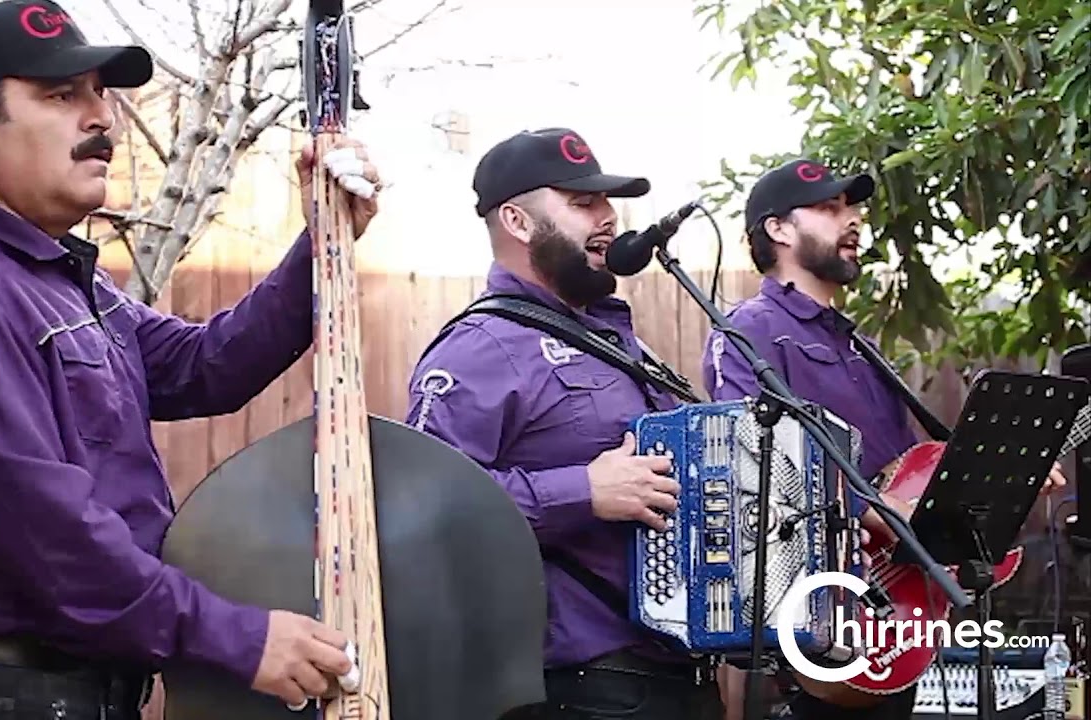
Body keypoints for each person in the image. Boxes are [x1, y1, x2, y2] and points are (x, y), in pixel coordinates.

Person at [0, 1, 383, 717]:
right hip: (5, 699)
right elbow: (48, 535)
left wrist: (324, 240)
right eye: (59, 94)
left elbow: (208, 365)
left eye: (100, 92)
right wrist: (238, 637)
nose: (101, 116)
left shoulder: (59, 283)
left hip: (85, 693)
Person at [700, 157, 1066, 720]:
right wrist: (878, 511)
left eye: (852, 207)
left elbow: (908, 476)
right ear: (778, 229)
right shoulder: (750, 333)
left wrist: (1004, 488)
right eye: (828, 208)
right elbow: (754, 473)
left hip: (899, 603)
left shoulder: (857, 344)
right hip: (826, 604)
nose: (852, 220)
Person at [404, 127, 724, 718]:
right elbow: (421, 513)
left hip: (682, 681)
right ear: (517, 222)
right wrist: (584, 492)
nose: (608, 218)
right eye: (582, 203)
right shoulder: (479, 349)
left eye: (607, 202)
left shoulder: (623, 343)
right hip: (579, 691)